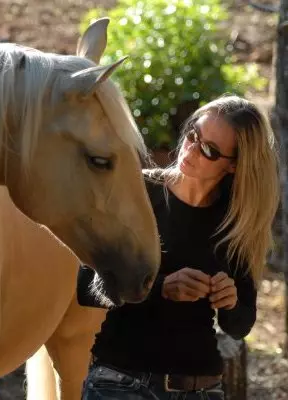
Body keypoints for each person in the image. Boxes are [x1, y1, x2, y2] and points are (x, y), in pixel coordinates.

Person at [77, 94, 280, 400]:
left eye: (209, 150)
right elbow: (86, 287)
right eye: (193, 134)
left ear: (234, 166)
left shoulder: (236, 222)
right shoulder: (137, 191)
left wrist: (230, 301)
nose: (191, 148)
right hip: (121, 382)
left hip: (202, 387)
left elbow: (240, 325)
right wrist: (160, 289)